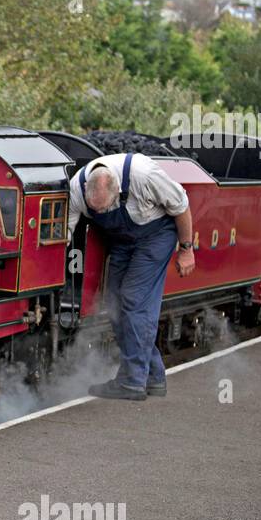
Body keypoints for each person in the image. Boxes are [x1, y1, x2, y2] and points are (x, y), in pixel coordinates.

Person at [67, 152, 195, 400]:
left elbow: (181, 206)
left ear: (118, 189)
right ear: (86, 188)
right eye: (96, 209)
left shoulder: (144, 175)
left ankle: (133, 382)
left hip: (156, 235)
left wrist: (187, 250)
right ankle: (153, 377)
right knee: (115, 304)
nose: (102, 212)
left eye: (105, 207)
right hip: (122, 242)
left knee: (133, 300)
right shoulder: (77, 188)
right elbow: (67, 233)